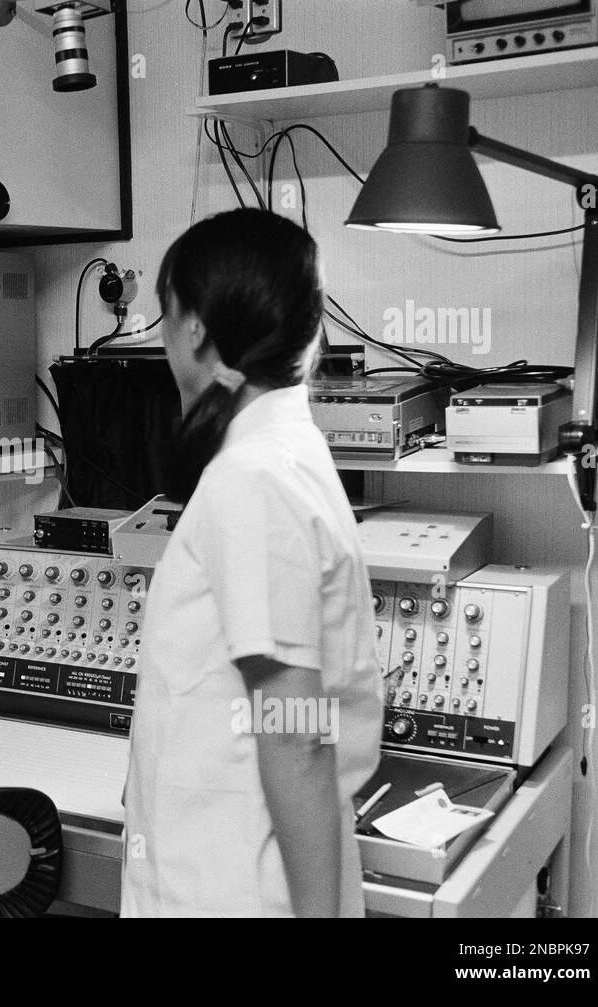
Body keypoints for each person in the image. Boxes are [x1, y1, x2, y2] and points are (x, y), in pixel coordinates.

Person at [120, 208, 382, 918]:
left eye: (164, 316)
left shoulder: (253, 479)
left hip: (235, 888)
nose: (162, 337)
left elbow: (295, 734)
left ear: (196, 326)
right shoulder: (283, 454)